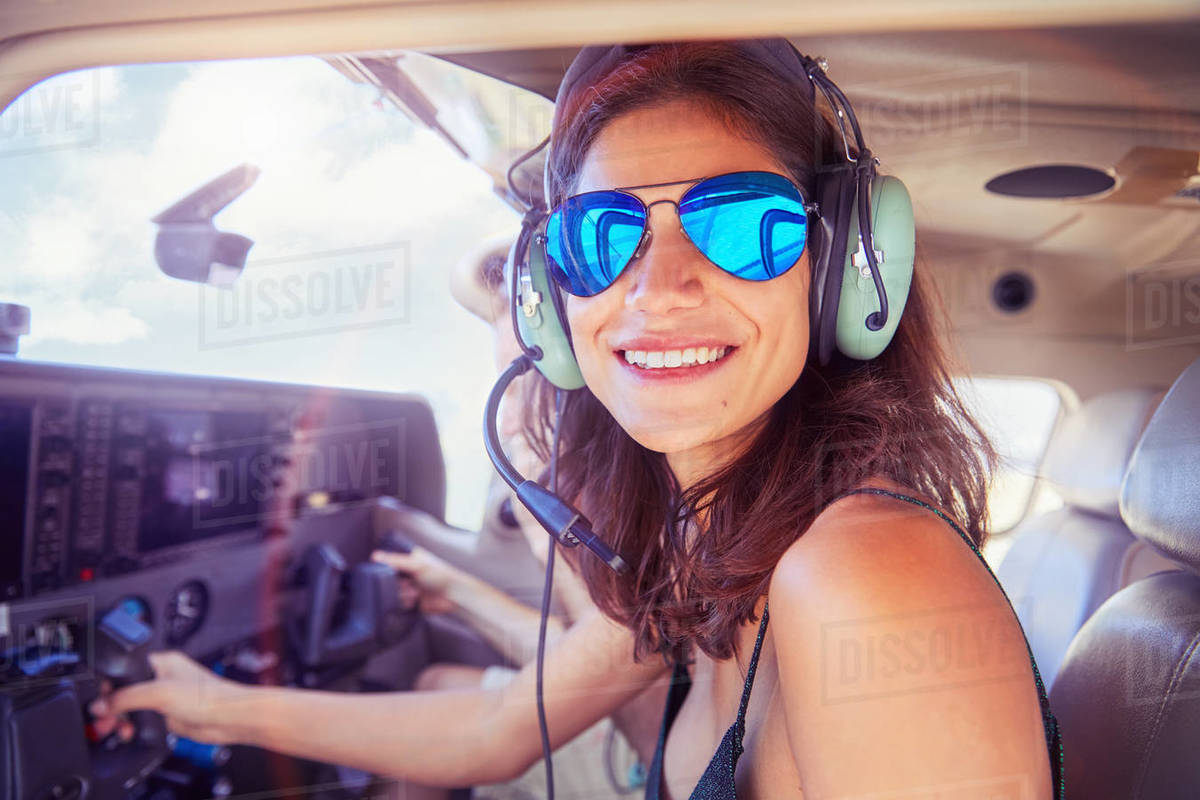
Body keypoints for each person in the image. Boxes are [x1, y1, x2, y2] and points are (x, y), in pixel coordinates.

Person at [93, 39, 1062, 799]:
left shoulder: (868, 579)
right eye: (601, 235)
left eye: (741, 224)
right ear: (551, 307)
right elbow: (500, 725)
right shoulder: (711, 540)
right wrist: (213, 705)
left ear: (846, 268)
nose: (658, 286)